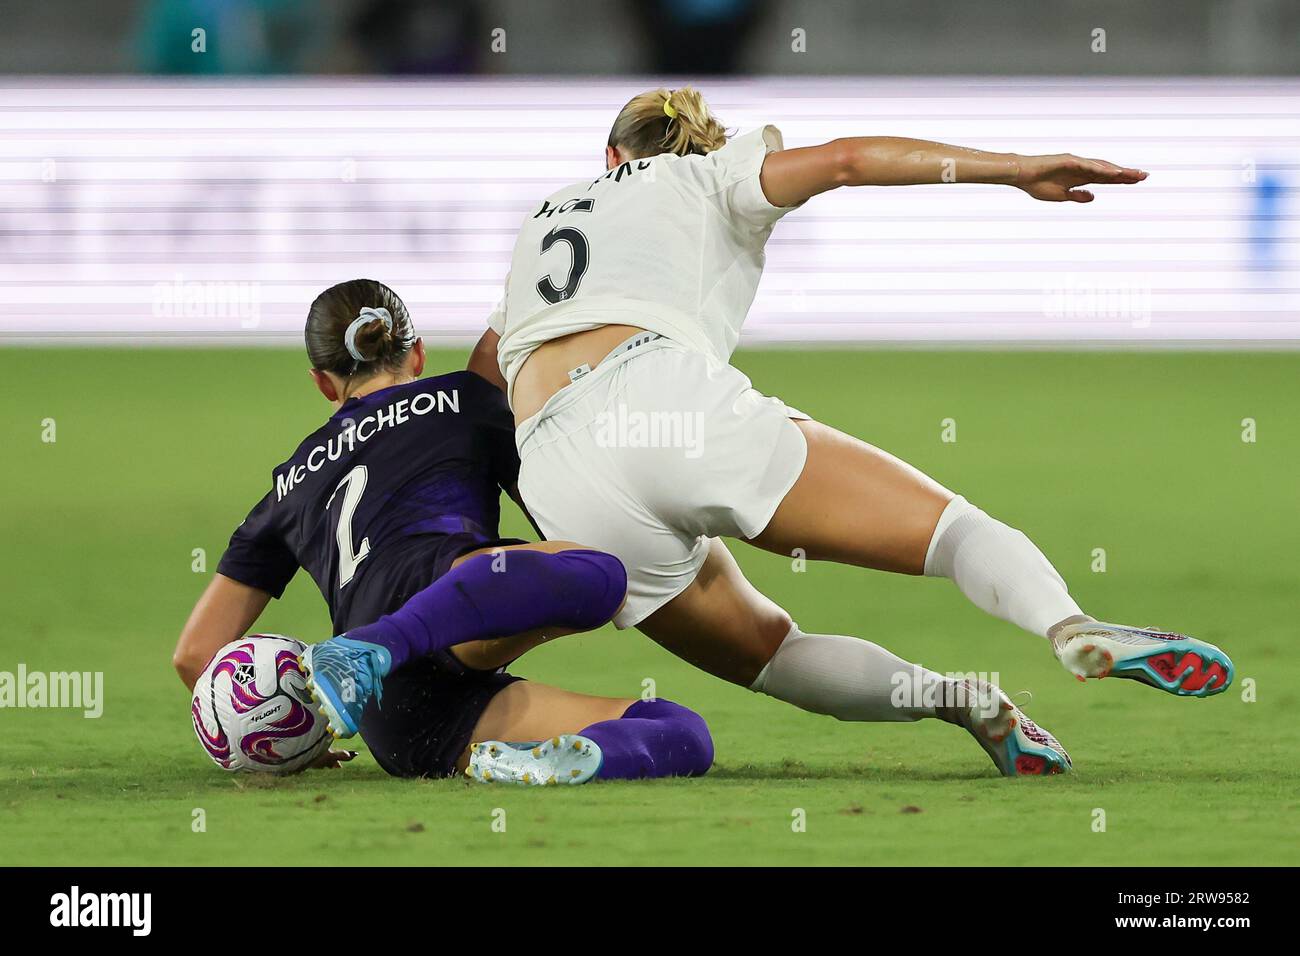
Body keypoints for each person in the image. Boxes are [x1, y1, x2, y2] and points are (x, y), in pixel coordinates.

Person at [469, 87, 1235, 776]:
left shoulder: (542, 223)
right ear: (706, 143)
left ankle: (957, 701)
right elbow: (845, 161)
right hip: (661, 396)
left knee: (772, 655)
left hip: (556, 470)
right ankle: (1068, 627)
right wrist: (1014, 169)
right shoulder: (709, 175)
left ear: (610, 157)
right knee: (953, 532)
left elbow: (481, 387)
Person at [172, 278, 713, 786]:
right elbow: (561, 510)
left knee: (681, 733)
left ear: (322, 382)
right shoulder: (464, 402)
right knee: (599, 576)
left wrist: (293, 740)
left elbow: (195, 655)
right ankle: (375, 646)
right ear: (419, 352)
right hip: (444, 602)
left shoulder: (287, 487)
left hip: (399, 718)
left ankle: (519, 762)